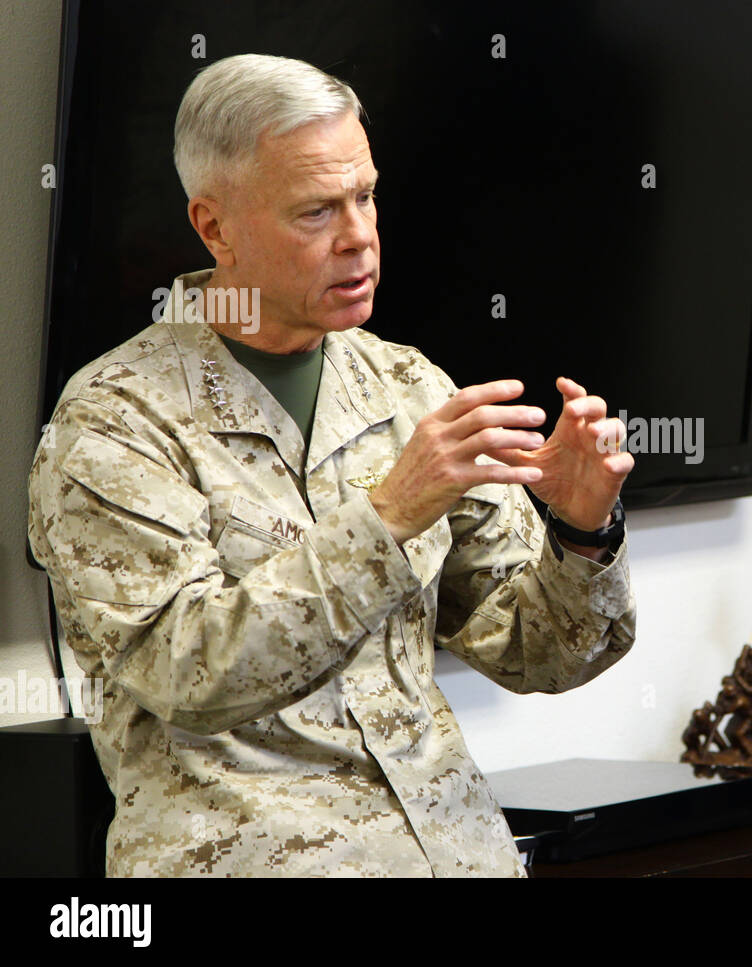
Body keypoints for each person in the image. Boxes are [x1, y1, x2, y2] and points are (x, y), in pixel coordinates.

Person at [26, 53, 637, 877]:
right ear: (215, 227)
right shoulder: (113, 420)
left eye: (366, 195)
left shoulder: (408, 386)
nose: (359, 237)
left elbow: (539, 651)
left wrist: (583, 530)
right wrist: (387, 518)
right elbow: (185, 669)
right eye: (315, 211)